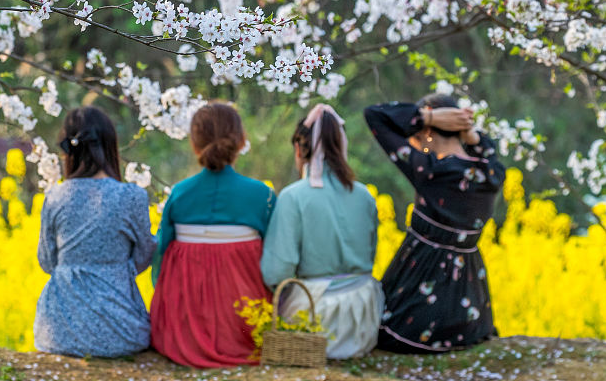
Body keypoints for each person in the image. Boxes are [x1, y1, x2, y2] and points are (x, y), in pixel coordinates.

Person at [364, 93, 505, 354]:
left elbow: (374, 114)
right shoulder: (491, 173)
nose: (415, 141)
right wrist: (471, 135)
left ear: (427, 131)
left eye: (417, 133)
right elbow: (488, 151)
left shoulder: (431, 170)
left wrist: (426, 117)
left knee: (386, 333)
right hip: (470, 315)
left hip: (419, 309)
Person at [150, 101, 276, 367]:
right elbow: (276, 260)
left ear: (194, 143)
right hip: (247, 326)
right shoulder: (261, 195)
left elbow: (162, 255)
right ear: (241, 141)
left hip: (184, 329)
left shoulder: (180, 194)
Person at [260, 104, 384, 359]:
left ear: (299, 148)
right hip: (364, 313)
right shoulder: (364, 196)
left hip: (315, 316)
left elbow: (276, 272)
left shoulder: (293, 197)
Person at [34, 106, 155, 357]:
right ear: (109, 146)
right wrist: (117, 271)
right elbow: (145, 255)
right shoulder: (131, 196)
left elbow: (47, 262)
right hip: (121, 331)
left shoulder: (54, 197)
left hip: (58, 331)